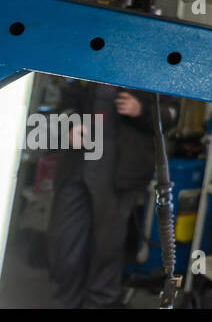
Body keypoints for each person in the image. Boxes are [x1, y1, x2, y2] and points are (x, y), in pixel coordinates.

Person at [46, 79, 179, 308]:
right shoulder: (88, 57)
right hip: (77, 163)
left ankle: (99, 305)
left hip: (118, 168)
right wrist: (68, 125)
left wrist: (142, 110)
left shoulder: (150, 65)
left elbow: (171, 114)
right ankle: (65, 304)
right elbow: (66, 99)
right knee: (64, 242)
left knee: (107, 247)